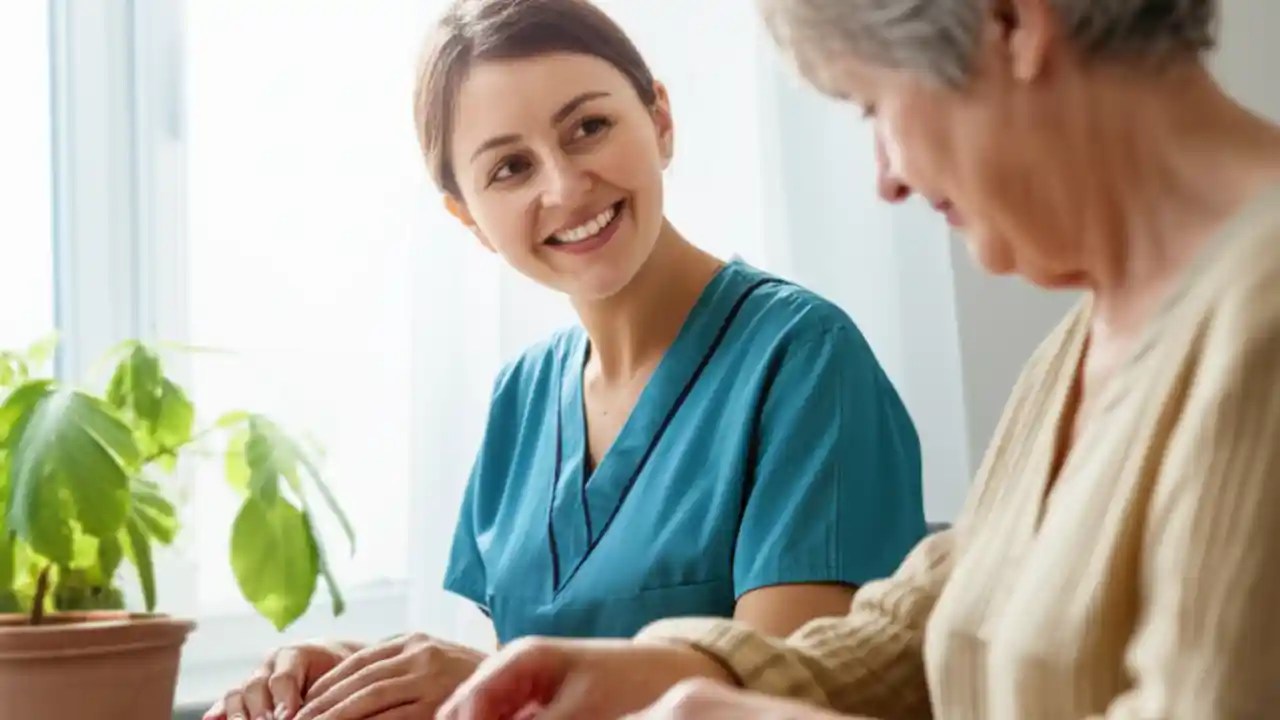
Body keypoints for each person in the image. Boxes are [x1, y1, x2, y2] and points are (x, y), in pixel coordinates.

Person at [436, 0, 1280, 718]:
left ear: (1013, 22)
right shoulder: (1083, 343)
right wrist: (695, 672)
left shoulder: (1259, 324)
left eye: (874, 104)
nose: (888, 178)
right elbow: (933, 617)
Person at [203, 1, 928, 719]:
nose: (563, 186)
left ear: (661, 120)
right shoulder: (520, 400)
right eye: (511, 167)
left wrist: (483, 677)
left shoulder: (802, 361)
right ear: (470, 219)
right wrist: (364, 684)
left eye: (589, 127)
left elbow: (787, 698)